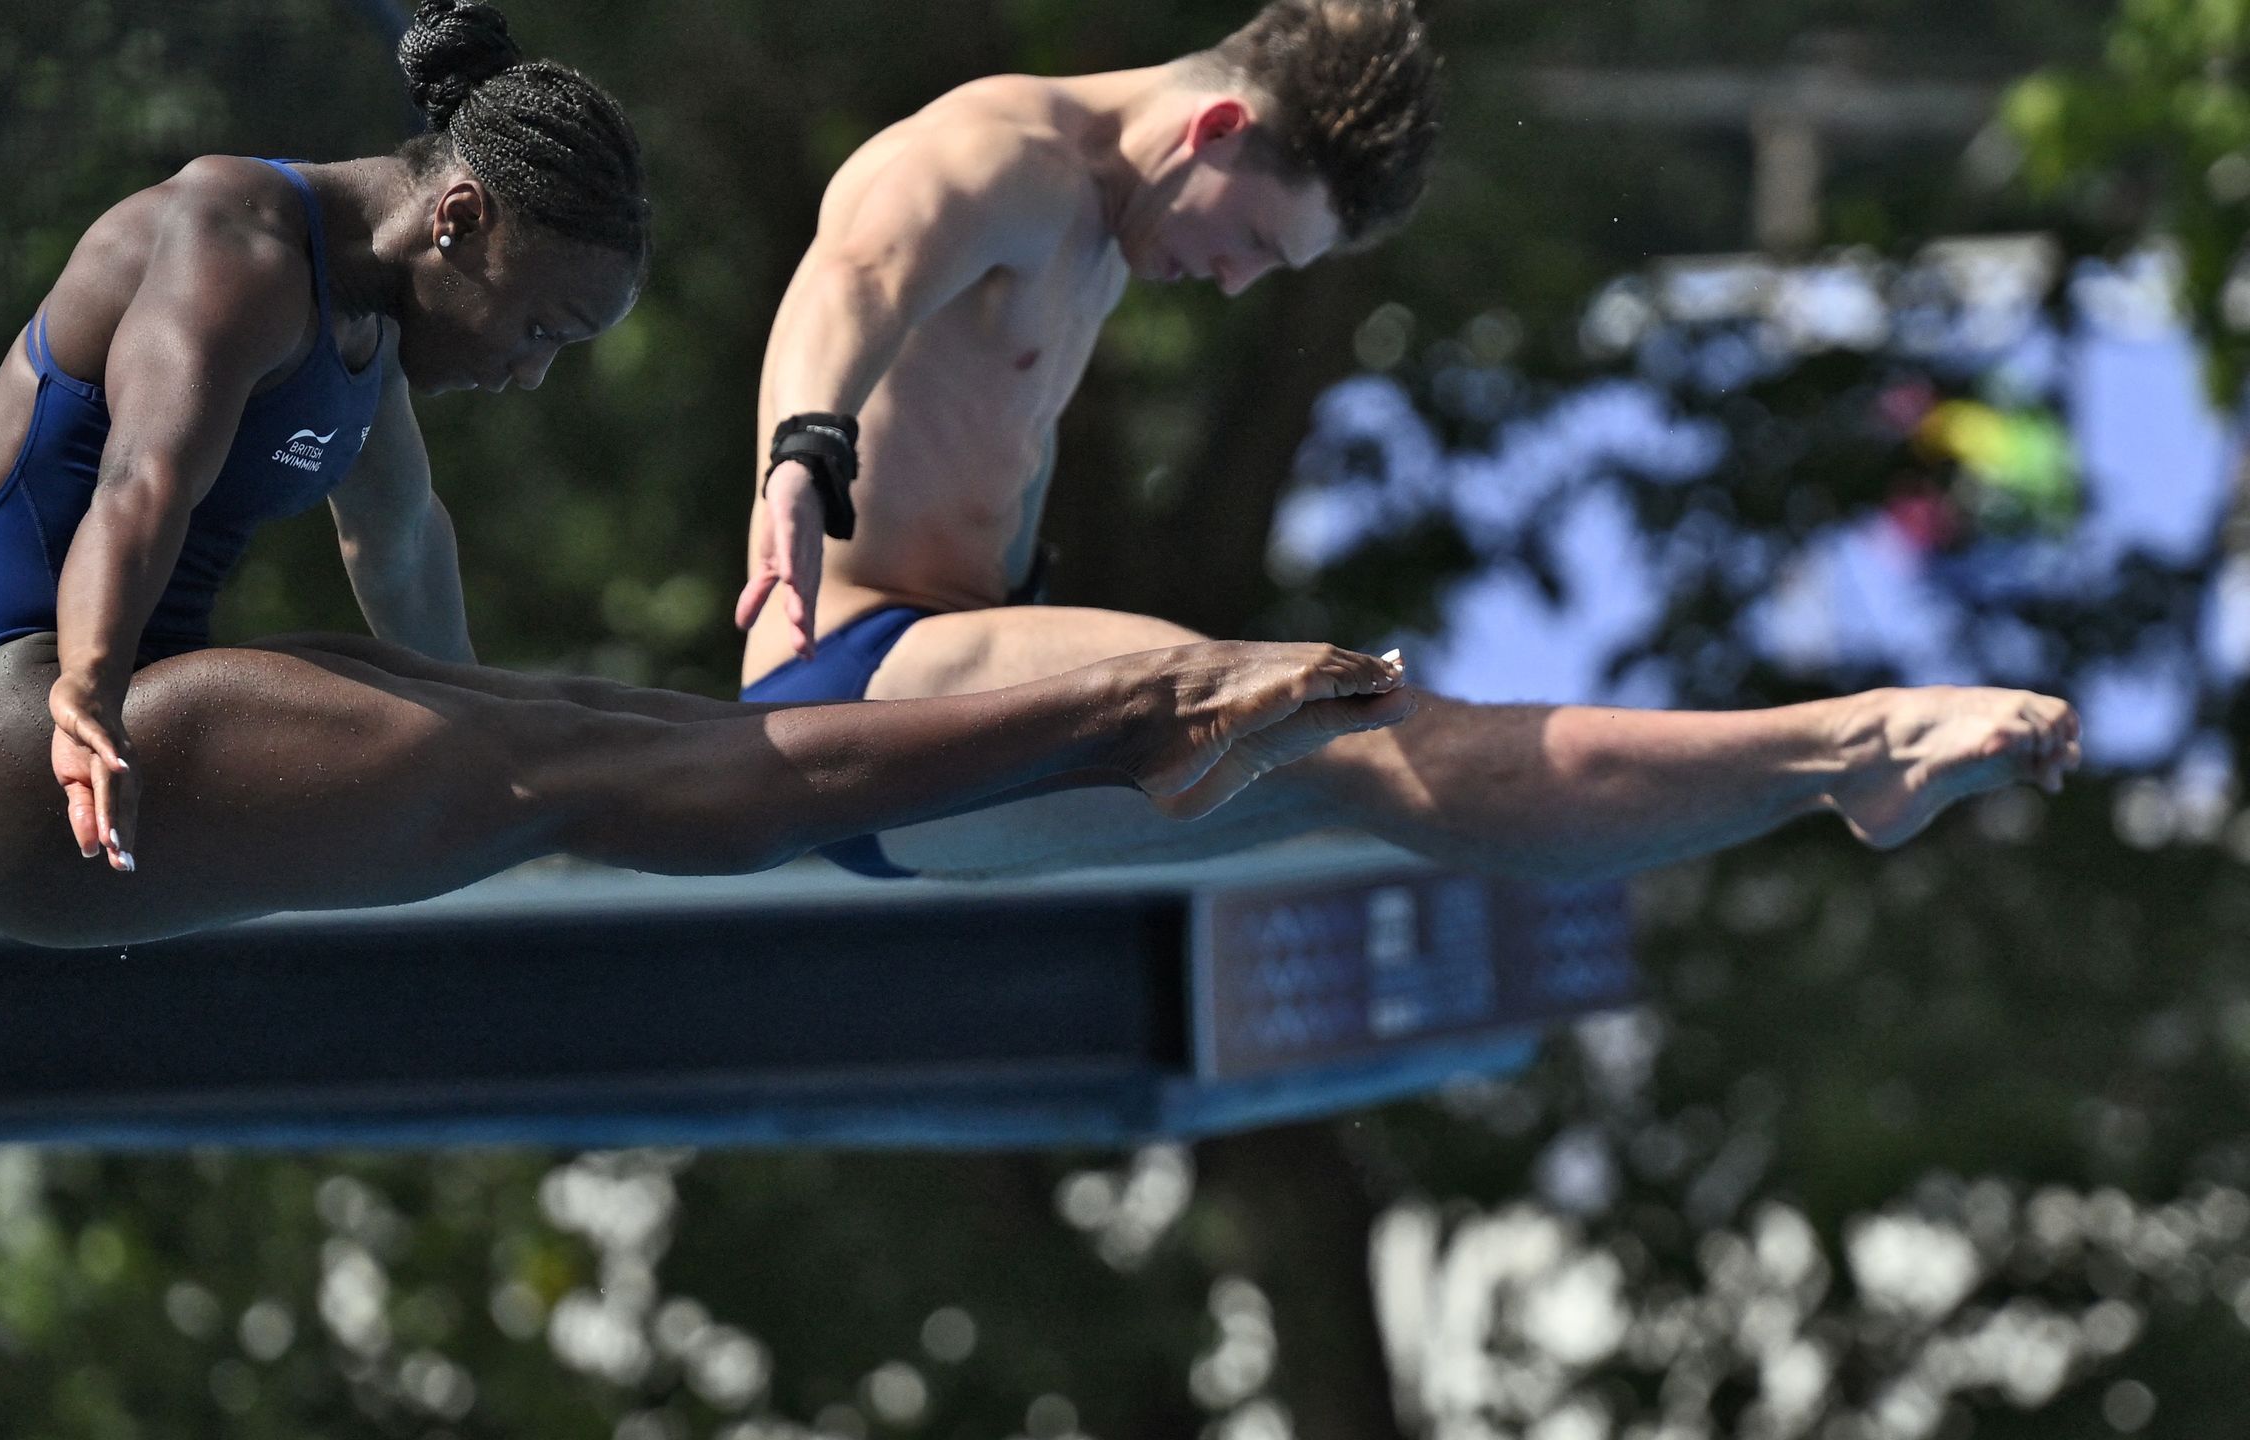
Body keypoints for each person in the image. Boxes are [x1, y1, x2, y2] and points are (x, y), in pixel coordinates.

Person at [0, 0, 1414, 948]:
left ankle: (1117, 731)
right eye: (540, 327)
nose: (529, 371)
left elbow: (406, 547)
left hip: (140, 724)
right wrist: (90, 700)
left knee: (593, 724)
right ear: (460, 221)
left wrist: (463, 751)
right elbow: (142, 488)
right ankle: (1132, 717)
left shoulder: (364, 321)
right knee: (586, 773)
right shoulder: (233, 241)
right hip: (26, 750)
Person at [734, 0, 2082, 881]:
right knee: (1361, 734)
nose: (1237, 279)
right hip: (850, 680)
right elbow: (853, 273)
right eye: (1257, 238)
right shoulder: (997, 157)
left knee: (1385, 775)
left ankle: (1824, 777)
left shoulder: (1110, 223)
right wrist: (804, 449)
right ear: (1216, 129)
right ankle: (1843, 748)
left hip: (923, 713)